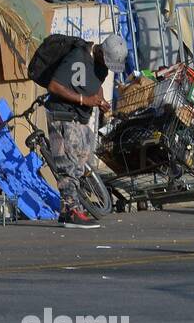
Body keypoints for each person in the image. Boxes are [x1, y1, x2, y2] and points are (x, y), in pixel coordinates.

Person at [42, 33, 129, 229]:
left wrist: (100, 100)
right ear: (99, 51)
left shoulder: (101, 65)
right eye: (106, 62)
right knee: (68, 166)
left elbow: (96, 85)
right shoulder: (77, 57)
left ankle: (69, 211)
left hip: (81, 118)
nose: (107, 67)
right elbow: (54, 86)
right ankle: (71, 211)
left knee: (82, 164)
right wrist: (84, 100)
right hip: (62, 116)